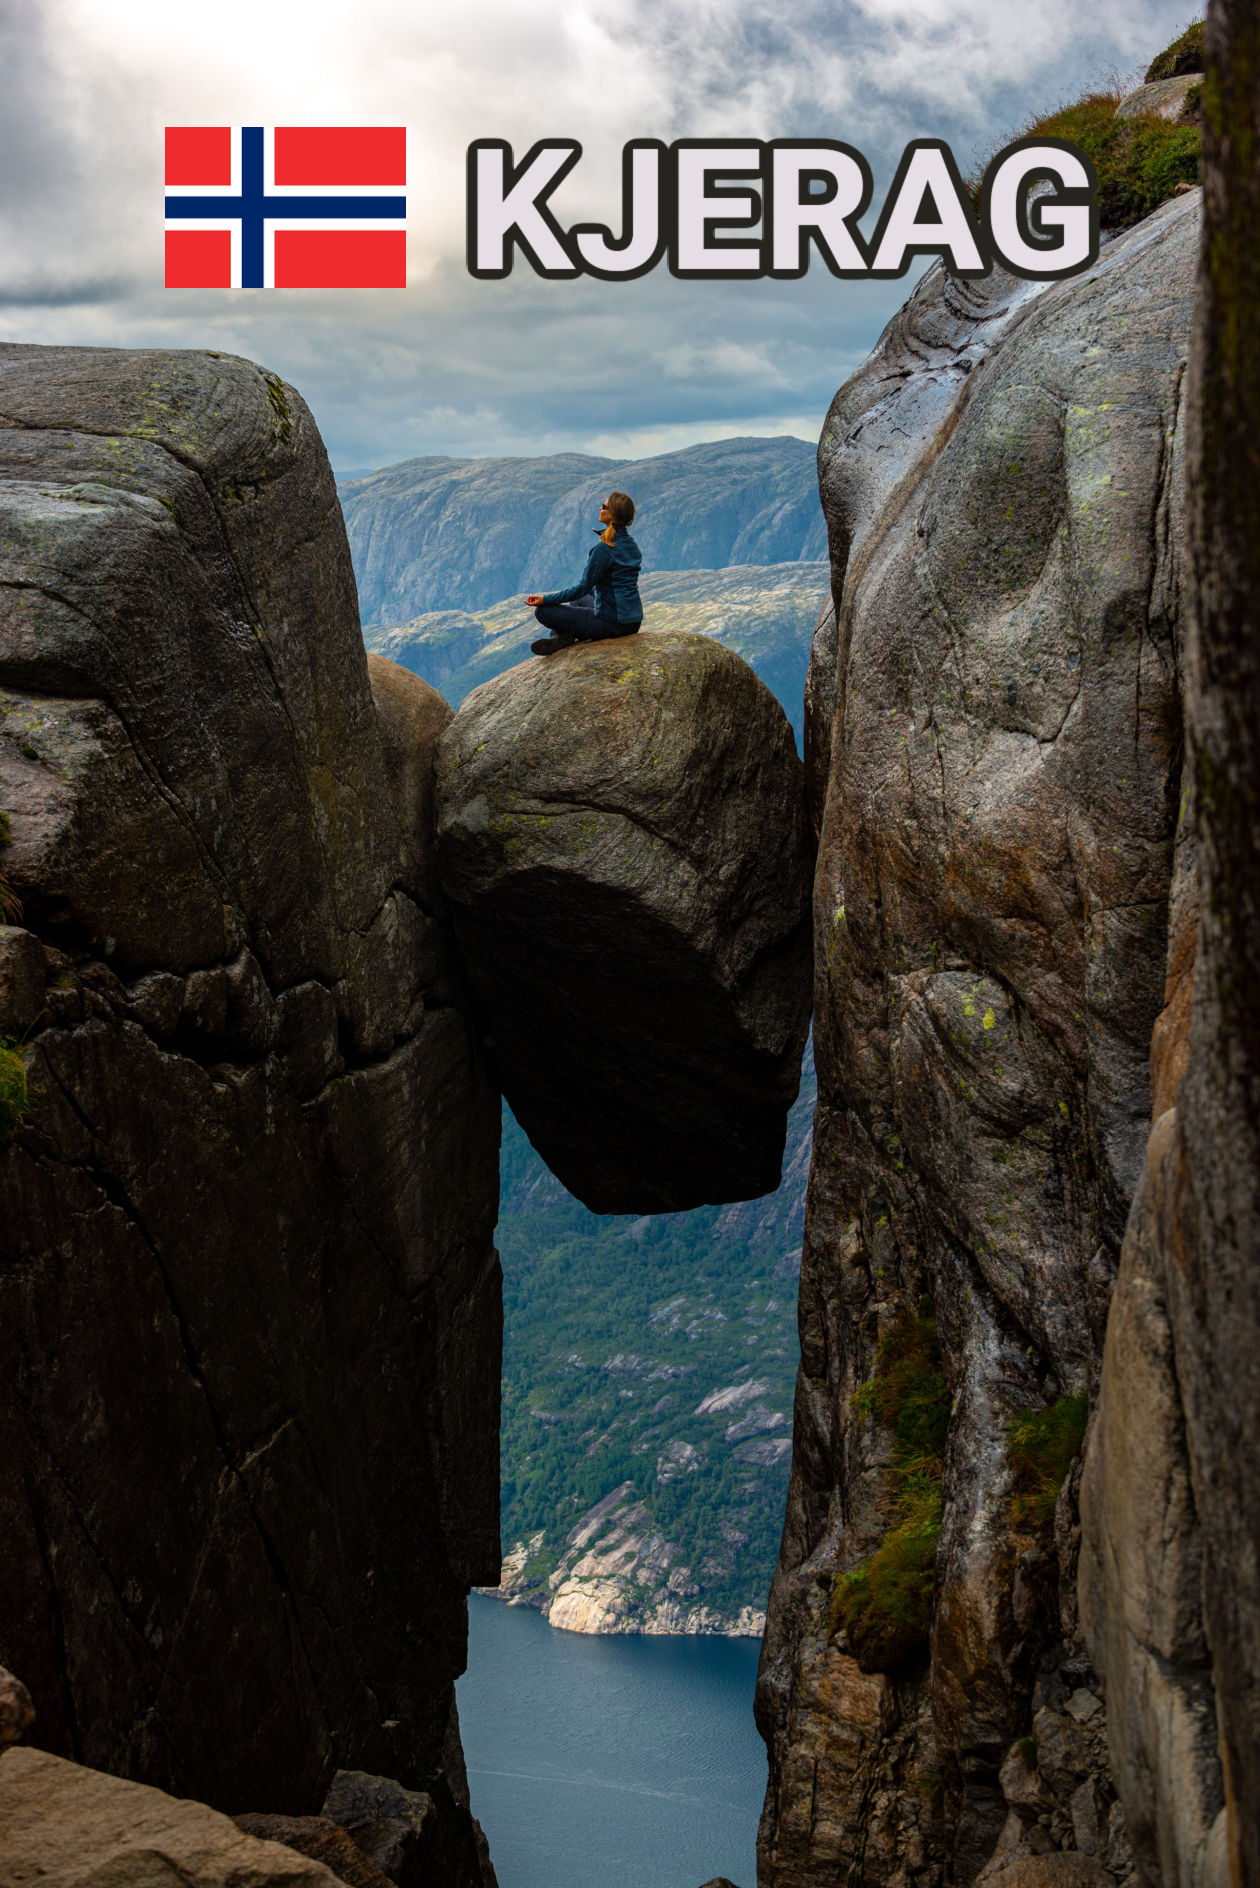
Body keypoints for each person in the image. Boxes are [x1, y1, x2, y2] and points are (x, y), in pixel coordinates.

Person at [525, 491, 643, 655]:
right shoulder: (632, 545)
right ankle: (562, 636)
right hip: (633, 621)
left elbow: (581, 587)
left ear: (612, 514)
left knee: (543, 612)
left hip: (612, 624)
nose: (600, 508)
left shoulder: (605, 548)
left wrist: (544, 599)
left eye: (604, 506)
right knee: (582, 598)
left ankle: (560, 637)